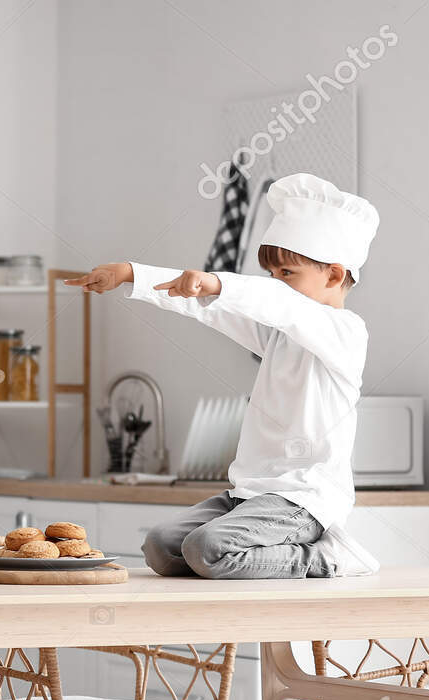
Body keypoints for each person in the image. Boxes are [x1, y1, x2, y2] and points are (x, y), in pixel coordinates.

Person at [70, 172, 381, 578]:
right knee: (161, 548)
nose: (276, 284)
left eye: (287, 273)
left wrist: (218, 280)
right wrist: (133, 274)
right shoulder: (278, 336)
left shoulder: (345, 332)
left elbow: (281, 306)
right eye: (273, 275)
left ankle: (331, 558)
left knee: (207, 549)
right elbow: (211, 306)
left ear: (335, 275)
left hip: (303, 500)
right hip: (249, 496)